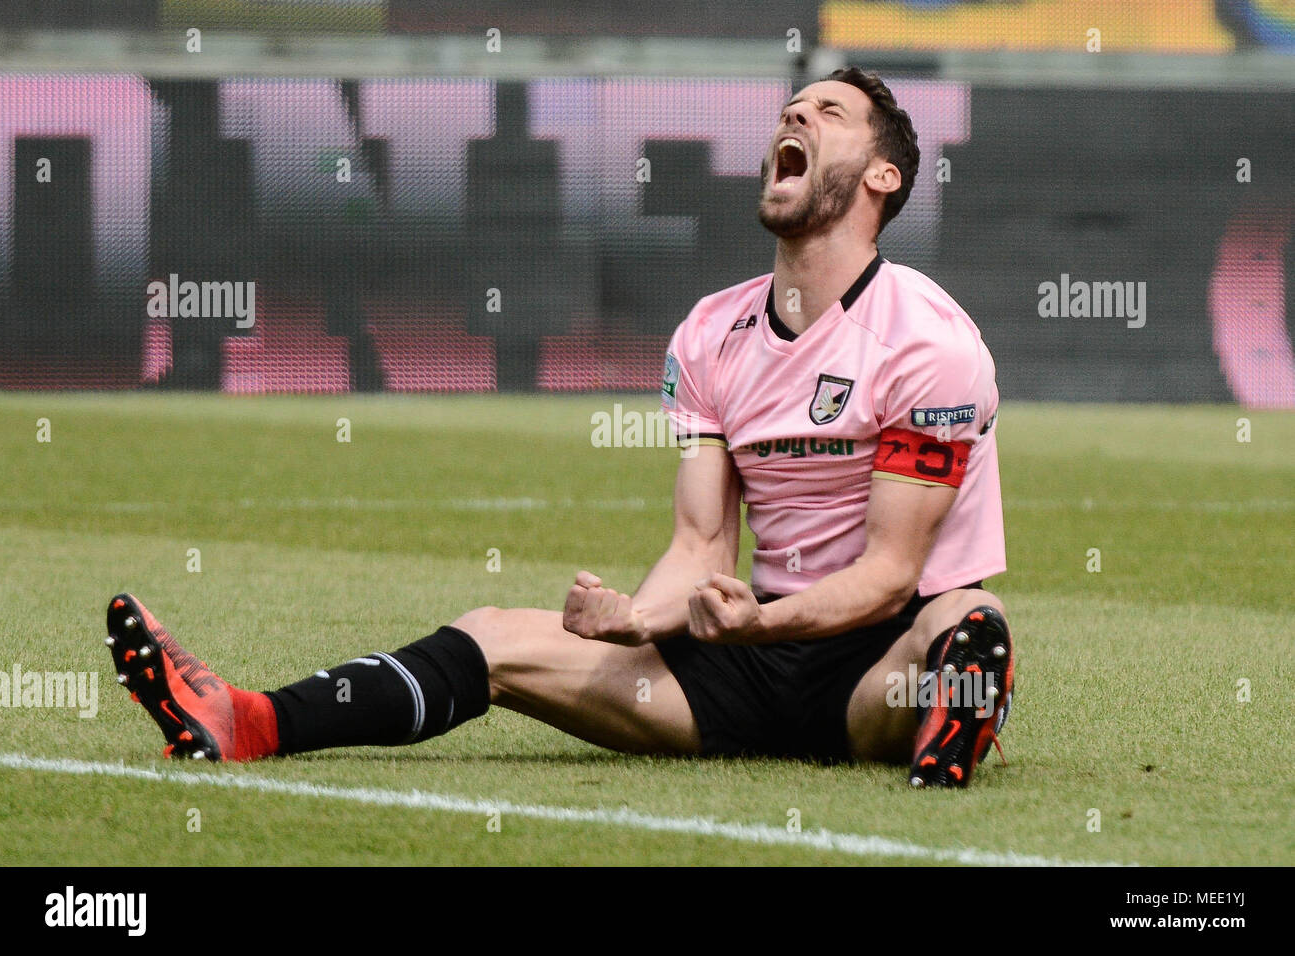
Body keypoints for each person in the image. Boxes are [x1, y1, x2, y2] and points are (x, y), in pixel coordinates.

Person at [105, 68, 1013, 788]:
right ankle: (248, 721)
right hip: (744, 662)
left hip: (874, 665)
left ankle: (954, 717)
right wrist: (637, 617)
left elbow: (891, 575)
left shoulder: (929, 340)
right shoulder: (710, 332)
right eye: (791, 109)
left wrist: (757, 626)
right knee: (494, 633)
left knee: (969, 620)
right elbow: (701, 544)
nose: (796, 116)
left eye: (828, 112)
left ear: (884, 176)